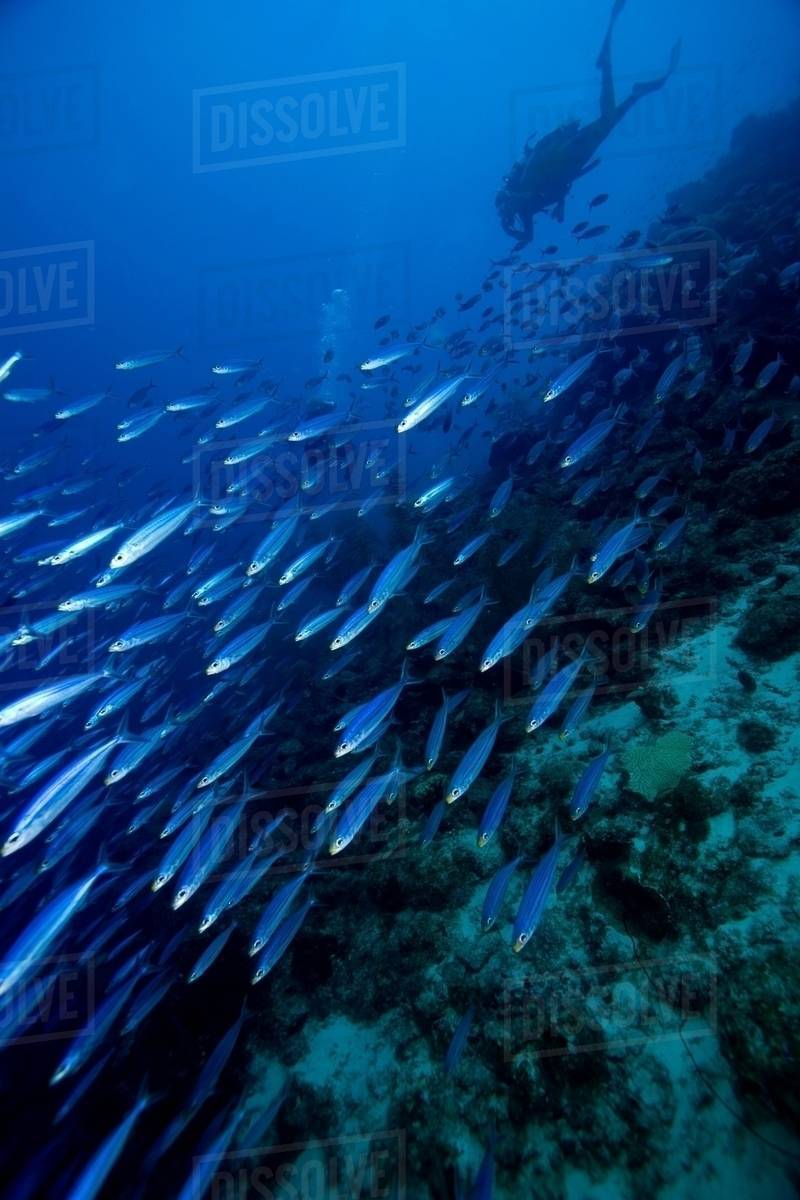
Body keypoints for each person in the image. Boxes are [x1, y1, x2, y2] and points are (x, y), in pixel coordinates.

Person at [496, 0, 682, 247]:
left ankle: (610, 67)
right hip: (570, 164)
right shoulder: (525, 211)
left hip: (560, 156)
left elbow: (531, 185)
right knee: (608, 124)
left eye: (504, 210)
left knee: (606, 123)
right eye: (507, 214)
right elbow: (530, 235)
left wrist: (512, 214)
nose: (508, 214)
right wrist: (515, 233)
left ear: (505, 201)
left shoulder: (516, 196)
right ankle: (630, 89)